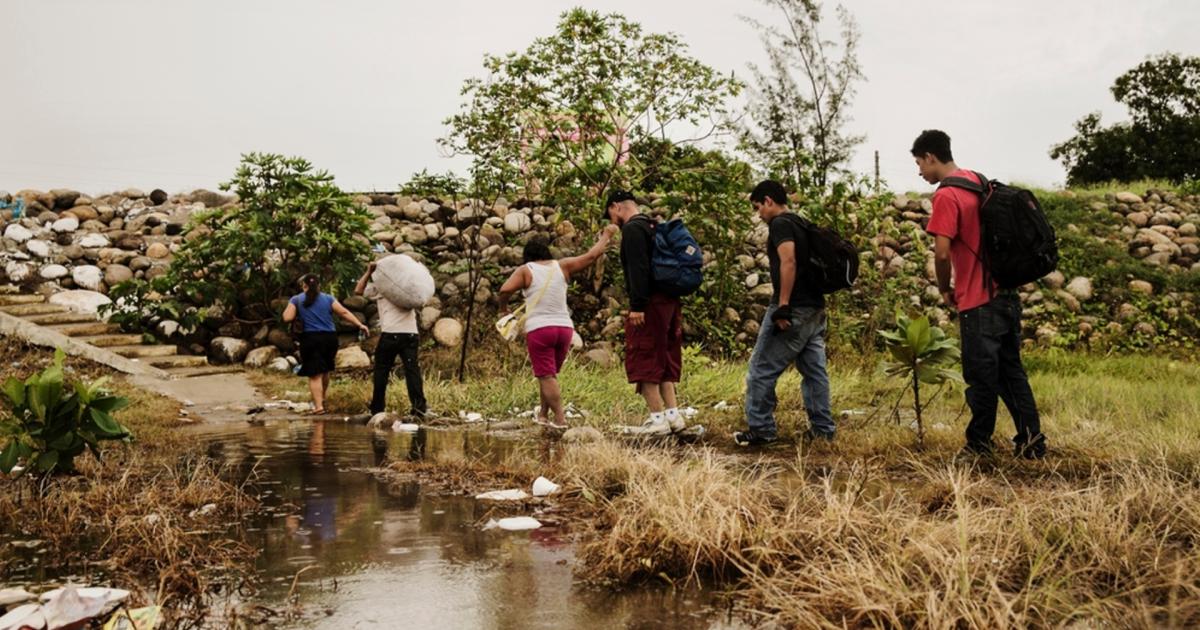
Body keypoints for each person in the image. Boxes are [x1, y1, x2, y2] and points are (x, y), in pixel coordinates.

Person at [911, 129, 1046, 459]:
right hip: (1007, 295)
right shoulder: (980, 181)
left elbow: (941, 253)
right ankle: (1031, 442)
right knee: (1011, 373)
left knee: (980, 377)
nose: (919, 171)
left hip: (978, 301)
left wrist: (944, 288)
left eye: (919, 163)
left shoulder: (946, 196)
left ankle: (978, 446)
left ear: (931, 156)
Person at [733, 180, 836, 447]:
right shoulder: (800, 222)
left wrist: (783, 305)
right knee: (814, 371)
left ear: (768, 201)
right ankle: (823, 430)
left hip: (794, 308)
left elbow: (788, 261)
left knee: (761, 369)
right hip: (815, 308)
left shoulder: (780, 224)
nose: (759, 214)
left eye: (758, 207)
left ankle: (762, 429)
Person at [497, 227, 617, 429]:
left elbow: (505, 289)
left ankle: (560, 419)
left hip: (540, 329)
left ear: (528, 257)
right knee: (549, 374)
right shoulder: (562, 266)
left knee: (546, 375)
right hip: (564, 329)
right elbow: (592, 255)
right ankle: (543, 415)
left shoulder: (526, 270)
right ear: (547, 254)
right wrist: (606, 235)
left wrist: (503, 309)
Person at [603, 190, 685, 435]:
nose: (611, 220)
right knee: (663, 356)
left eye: (609, 213)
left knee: (644, 356)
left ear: (616, 206)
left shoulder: (632, 230)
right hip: (670, 302)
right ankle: (673, 416)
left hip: (649, 304)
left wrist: (637, 305)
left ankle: (657, 419)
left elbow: (638, 269)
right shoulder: (653, 225)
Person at [282, 273, 370, 415]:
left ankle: (318, 407)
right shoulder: (328, 298)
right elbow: (343, 312)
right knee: (325, 369)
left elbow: (287, 317)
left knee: (314, 374)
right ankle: (322, 398)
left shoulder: (297, 299)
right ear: (319, 286)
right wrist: (360, 324)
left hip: (310, 338)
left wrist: (294, 306)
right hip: (329, 338)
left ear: (304, 286)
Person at [355, 261, 429, 419]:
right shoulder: (409, 288)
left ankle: (377, 409)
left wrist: (369, 272)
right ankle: (419, 408)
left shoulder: (382, 289)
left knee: (381, 371)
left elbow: (358, 290)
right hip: (411, 334)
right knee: (412, 371)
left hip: (391, 334)